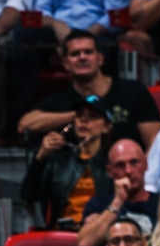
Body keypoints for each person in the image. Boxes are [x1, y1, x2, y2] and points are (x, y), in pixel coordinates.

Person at [17, 29, 160, 150]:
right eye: (75, 54)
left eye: (88, 52)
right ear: (65, 63)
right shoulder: (59, 101)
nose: (82, 57)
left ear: (100, 59)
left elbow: (155, 145)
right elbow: (25, 125)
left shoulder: (133, 91)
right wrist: (80, 115)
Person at [20, 95, 113, 230]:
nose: (84, 120)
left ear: (106, 127)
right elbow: (28, 195)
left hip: (99, 232)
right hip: (62, 233)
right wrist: (41, 156)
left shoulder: (113, 164)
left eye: (92, 116)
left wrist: (105, 216)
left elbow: (118, 204)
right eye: (79, 115)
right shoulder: (59, 161)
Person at [77, 139, 159, 246]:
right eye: (120, 165)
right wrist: (117, 201)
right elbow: (85, 244)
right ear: (110, 171)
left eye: (134, 163)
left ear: (146, 164)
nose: (128, 170)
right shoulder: (99, 204)